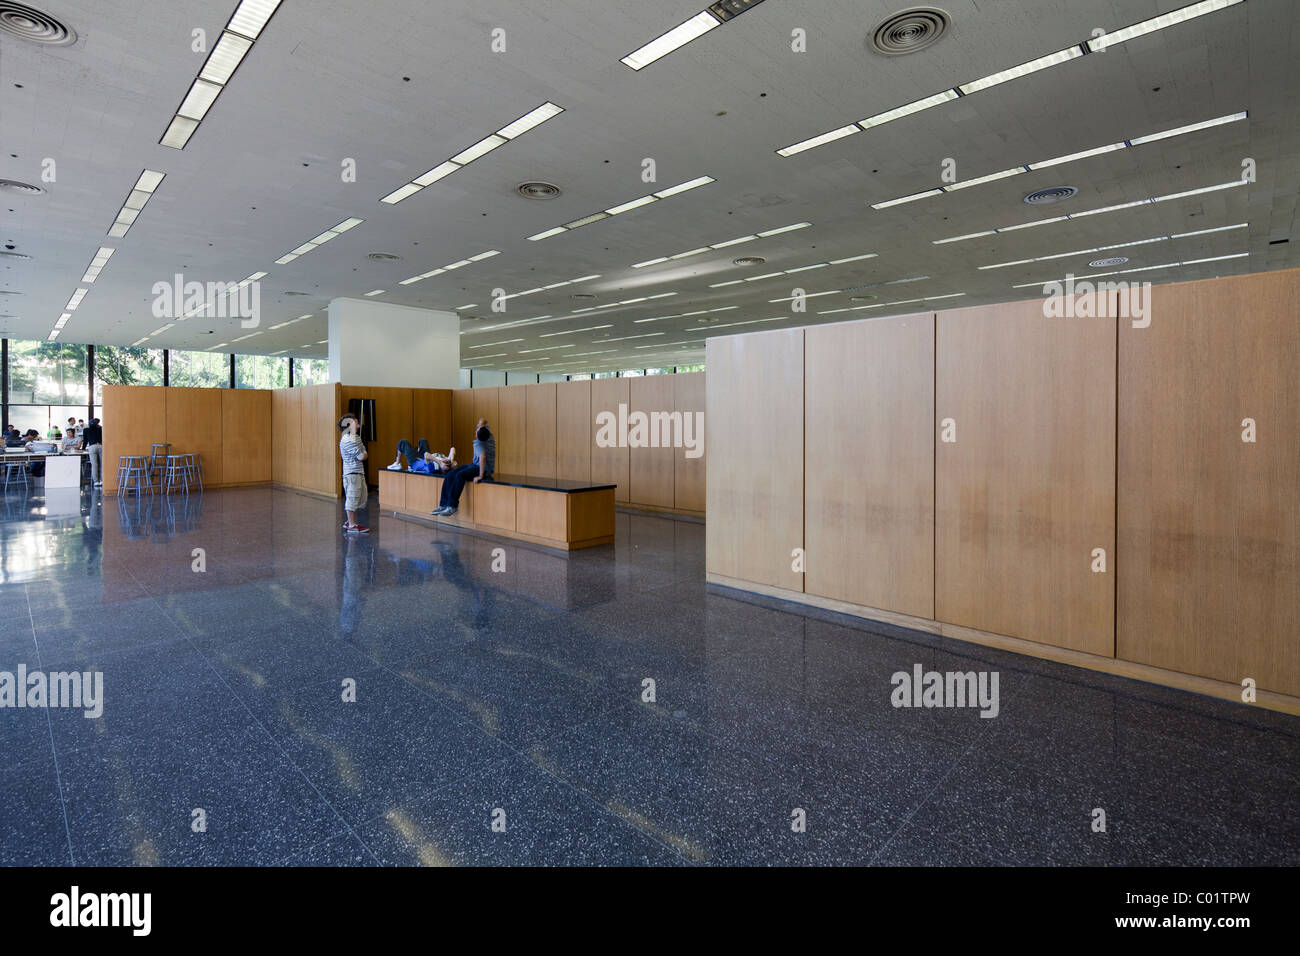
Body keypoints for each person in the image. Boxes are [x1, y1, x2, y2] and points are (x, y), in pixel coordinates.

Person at [432, 419, 494, 517]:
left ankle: (452, 506)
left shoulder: (478, 443)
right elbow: (483, 421)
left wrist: (480, 475)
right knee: (451, 474)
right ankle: (443, 505)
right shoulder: (489, 436)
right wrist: (481, 424)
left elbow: (482, 457)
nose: (477, 428)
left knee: (460, 475)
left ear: (477, 435)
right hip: (475, 464)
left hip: (482, 468)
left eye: (477, 429)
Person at [338, 413, 369, 534]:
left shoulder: (356, 437)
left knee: (358, 498)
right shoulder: (347, 440)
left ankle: (350, 522)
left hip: (358, 472)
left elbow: (364, 452)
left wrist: (363, 455)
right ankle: (351, 525)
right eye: (356, 422)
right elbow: (361, 456)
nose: (358, 424)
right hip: (352, 474)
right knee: (352, 498)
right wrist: (363, 455)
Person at [388, 439, 456, 474]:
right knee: (423, 441)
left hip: (414, 461)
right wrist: (451, 460)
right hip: (422, 457)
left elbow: (426, 454)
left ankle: (397, 463)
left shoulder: (432, 468)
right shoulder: (446, 462)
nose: (445, 459)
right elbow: (452, 449)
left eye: (446, 462)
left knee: (403, 442)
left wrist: (440, 462)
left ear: (443, 467)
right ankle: (417, 451)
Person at [80, 418, 103, 486]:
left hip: (92, 447)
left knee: (94, 465)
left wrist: (83, 449)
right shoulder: (100, 429)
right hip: (101, 446)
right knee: (102, 464)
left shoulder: (86, 430)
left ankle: (96, 481)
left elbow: (85, 441)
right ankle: (102, 480)